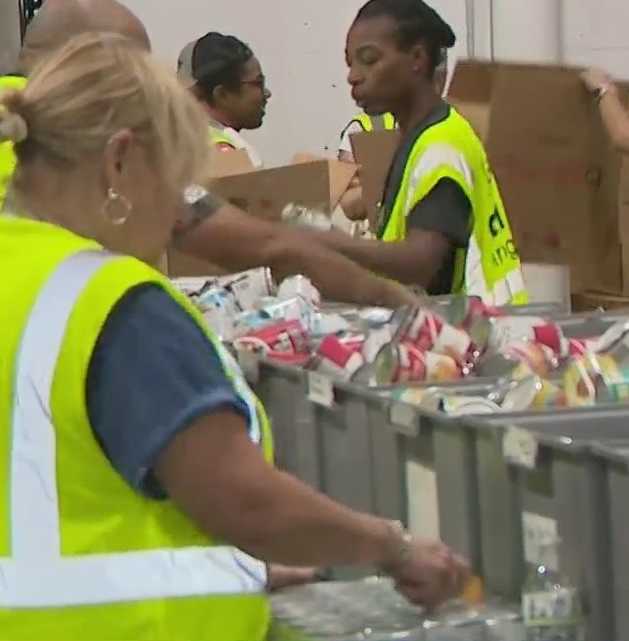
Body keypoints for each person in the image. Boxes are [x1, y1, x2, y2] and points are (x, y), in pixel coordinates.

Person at [0, 33, 469, 640]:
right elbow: (244, 499)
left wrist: (237, 567)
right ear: (118, 162)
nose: (177, 217)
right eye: (175, 183)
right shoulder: (113, 307)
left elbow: (51, 485)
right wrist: (395, 548)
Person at [2, 0, 417, 309]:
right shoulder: (93, 137)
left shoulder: (25, 122)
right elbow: (268, 245)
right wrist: (398, 303)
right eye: (138, 70)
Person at [307, 0, 526, 301]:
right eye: (350, 63)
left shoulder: (441, 145)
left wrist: (328, 242)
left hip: (479, 329)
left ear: (417, 59)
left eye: (369, 60)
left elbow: (420, 263)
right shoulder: (417, 136)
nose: (353, 76)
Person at [179, 32, 270, 167]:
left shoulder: (181, 139)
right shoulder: (219, 152)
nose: (267, 93)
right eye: (258, 83)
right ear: (223, 94)